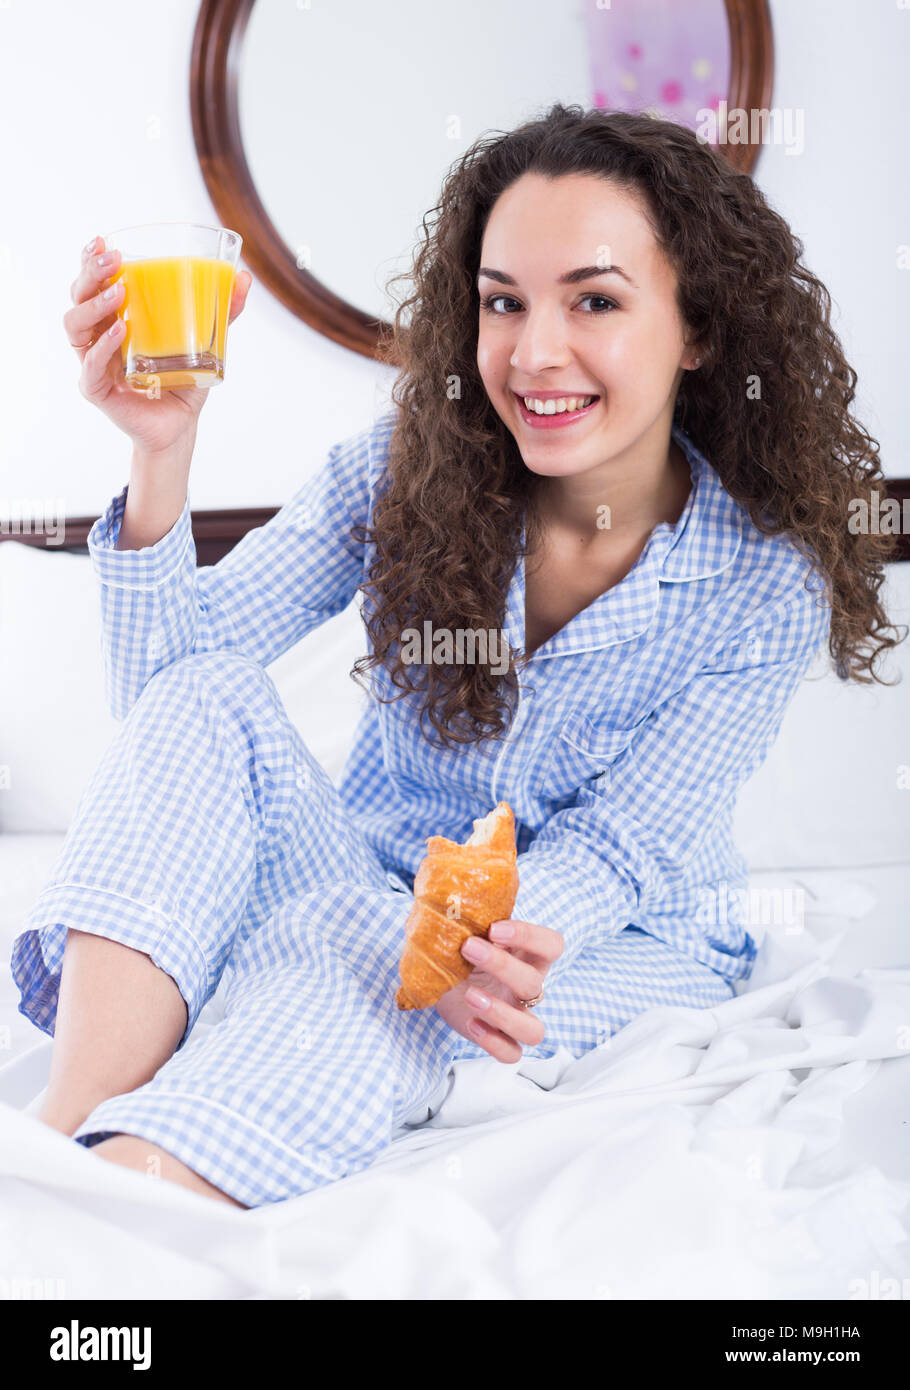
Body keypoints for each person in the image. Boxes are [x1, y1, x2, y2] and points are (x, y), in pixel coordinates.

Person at [13, 105, 902, 1210]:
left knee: (358, 963)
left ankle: (140, 1181)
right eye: (502, 303)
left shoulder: (761, 576)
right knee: (275, 799)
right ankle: (60, 1152)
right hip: (370, 875)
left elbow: (625, 852)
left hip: (597, 937)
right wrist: (162, 454)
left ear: (699, 327)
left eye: (594, 300)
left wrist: (478, 948)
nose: (533, 353)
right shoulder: (401, 470)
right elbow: (164, 703)